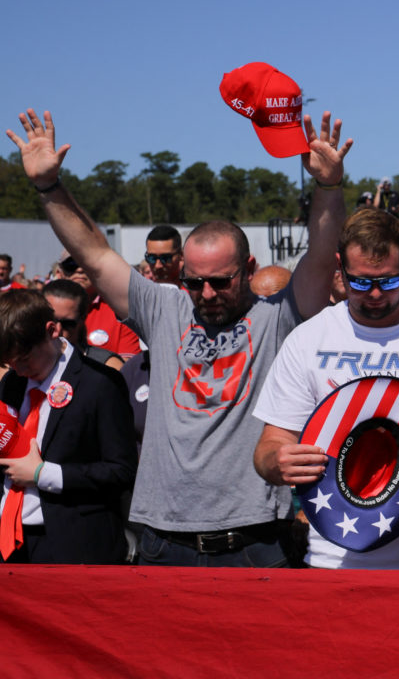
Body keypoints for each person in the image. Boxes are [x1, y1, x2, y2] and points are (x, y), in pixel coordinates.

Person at [7, 107, 351, 567]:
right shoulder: (163, 307)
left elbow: (323, 255)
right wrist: (48, 186)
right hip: (163, 538)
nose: (205, 294)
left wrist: (327, 187)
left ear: (248, 270)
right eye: (193, 281)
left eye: (220, 282)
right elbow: (93, 253)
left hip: (252, 539)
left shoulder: (278, 316)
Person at [252, 209, 399, 569]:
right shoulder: (309, 339)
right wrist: (278, 462)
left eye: (388, 282)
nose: (373, 293)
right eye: (360, 282)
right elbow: (270, 443)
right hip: (331, 561)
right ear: (339, 267)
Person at [0, 290, 137, 564]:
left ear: (51, 330)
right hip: (11, 541)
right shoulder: (12, 383)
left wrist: (43, 474)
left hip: (72, 544)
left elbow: (121, 471)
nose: (18, 368)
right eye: (9, 361)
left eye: (24, 357)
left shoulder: (99, 383)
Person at [41, 279, 124, 370]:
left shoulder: (107, 366)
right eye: (51, 322)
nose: (58, 330)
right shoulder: (25, 366)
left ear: (83, 319)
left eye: (67, 324)